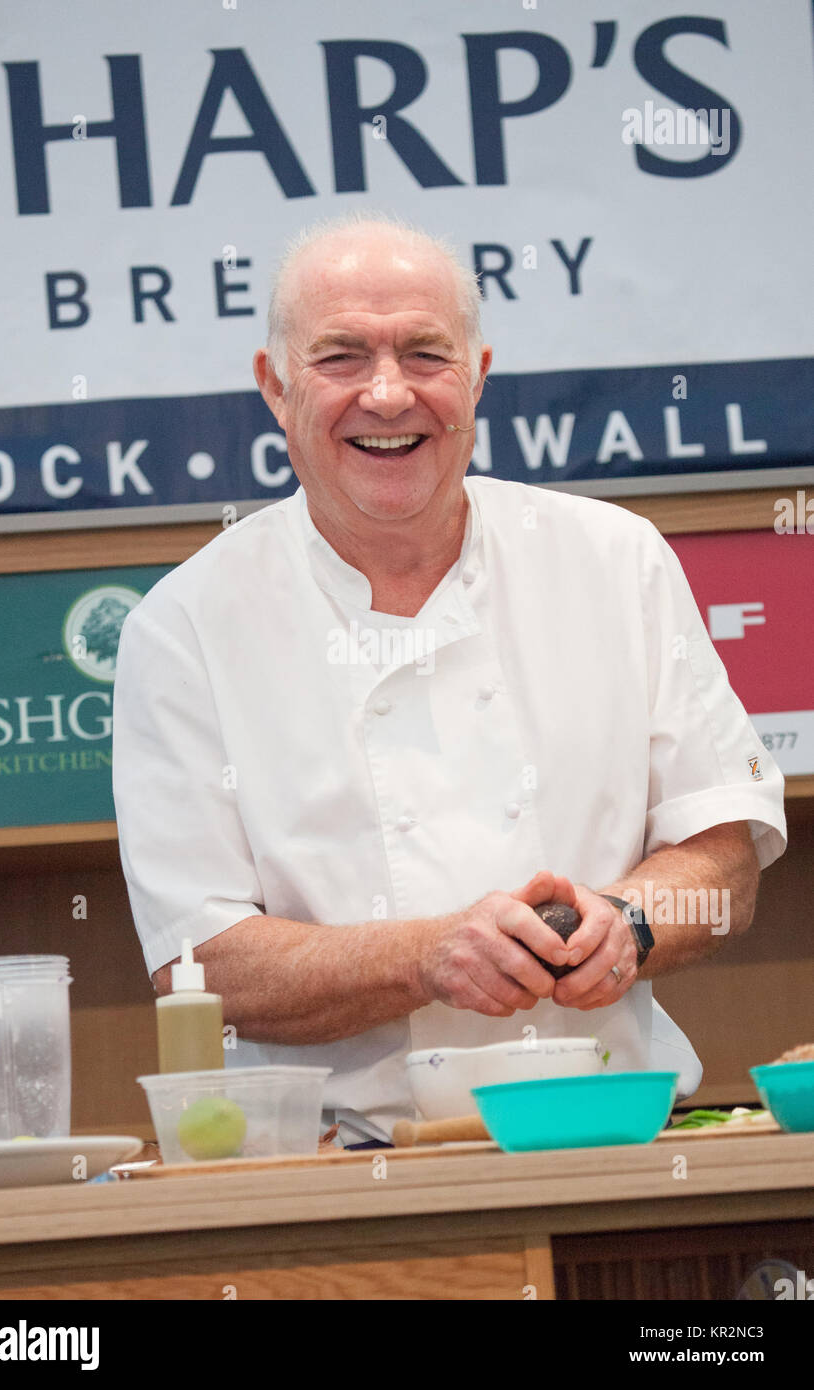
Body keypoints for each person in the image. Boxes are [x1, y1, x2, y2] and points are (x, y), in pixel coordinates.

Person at [111, 213, 786, 1147]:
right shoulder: (183, 628)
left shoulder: (611, 558)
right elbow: (204, 965)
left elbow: (724, 860)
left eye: (425, 353)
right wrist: (428, 956)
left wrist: (630, 923)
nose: (388, 395)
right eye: (341, 357)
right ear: (274, 387)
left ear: (478, 377)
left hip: (618, 1136)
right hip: (341, 1168)